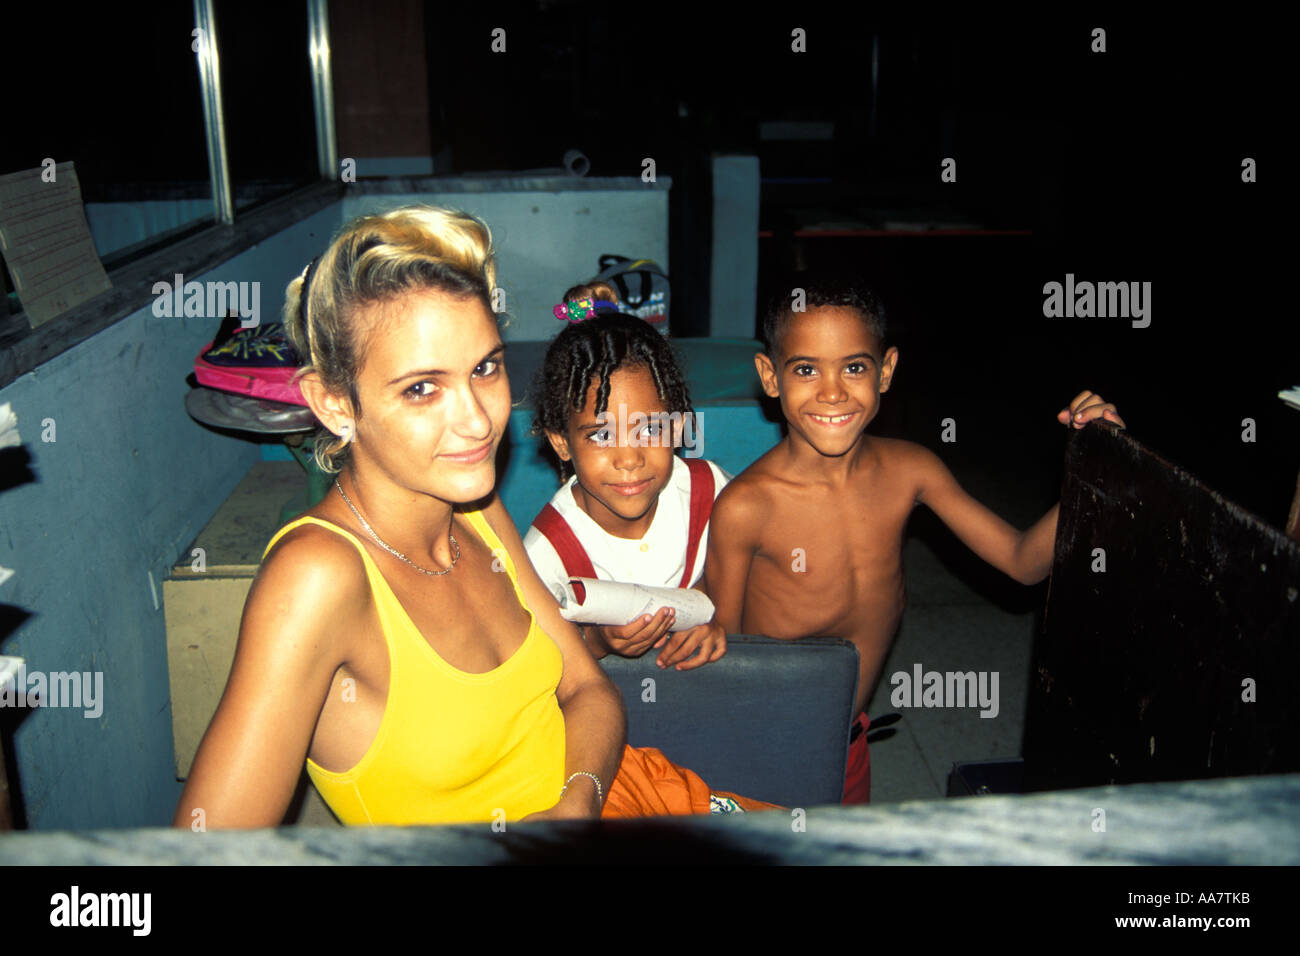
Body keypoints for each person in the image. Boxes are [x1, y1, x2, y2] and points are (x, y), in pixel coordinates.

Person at [172, 206, 772, 829]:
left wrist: (578, 801)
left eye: (484, 368)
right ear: (335, 404)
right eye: (421, 388)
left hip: (631, 792)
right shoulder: (316, 576)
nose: (479, 421)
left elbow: (588, 691)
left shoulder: (478, 514)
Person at [703, 277, 1125, 805]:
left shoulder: (912, 470)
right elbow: (723, 654)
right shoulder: (746, 507)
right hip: (762, 745)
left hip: (849, 741)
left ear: (886, 371)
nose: (832, 392)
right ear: (771, 377)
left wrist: (1092, 471)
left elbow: (1024, 563)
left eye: (854, 367)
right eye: (806, 369)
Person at [525, 285, 729, 671]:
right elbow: (538, 665)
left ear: (678, 427)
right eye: (602, 435)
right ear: (561, 442)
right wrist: (596, 642)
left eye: (650, 429)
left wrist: (725, 619)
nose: (630, 459)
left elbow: (768, 581)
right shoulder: (547, 553)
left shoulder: (714, 492)